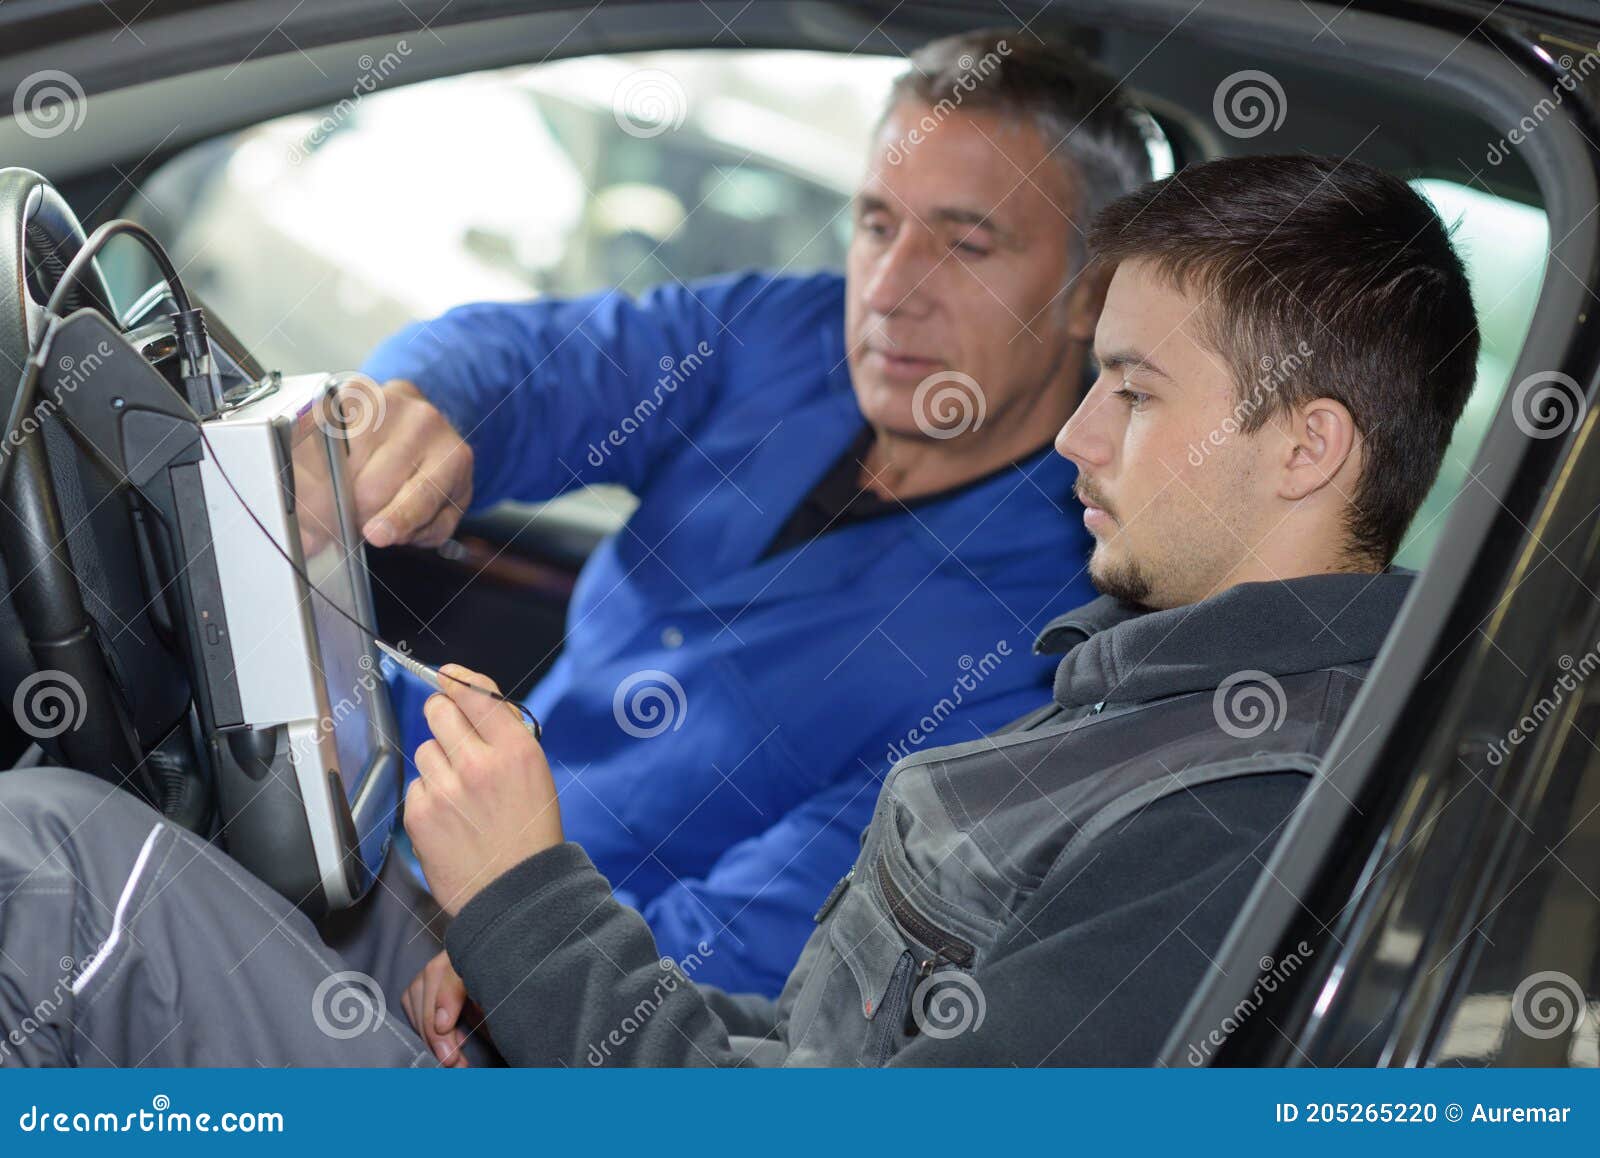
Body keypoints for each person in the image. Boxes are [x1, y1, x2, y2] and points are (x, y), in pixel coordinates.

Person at [0, 153, 1479, 1066]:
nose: (1082, 441)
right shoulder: (1137, 689)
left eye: (1134, 393)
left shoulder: (1228, 807)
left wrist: (528, 907)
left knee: (49, 869)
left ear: (1310, 447)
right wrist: (421, 409)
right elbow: (847, 1044)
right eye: (876, 223)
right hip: (588, 1013)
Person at [348, 29, 1153, 995]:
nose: (892, 292)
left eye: (968, 245)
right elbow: (548, 359)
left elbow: (751, 963)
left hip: (513, 989)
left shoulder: (1045, 647)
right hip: (407, 818)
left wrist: (504, 961)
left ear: (1088, 297)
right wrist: (417, 415)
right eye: (875, 225)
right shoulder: (792, 335)